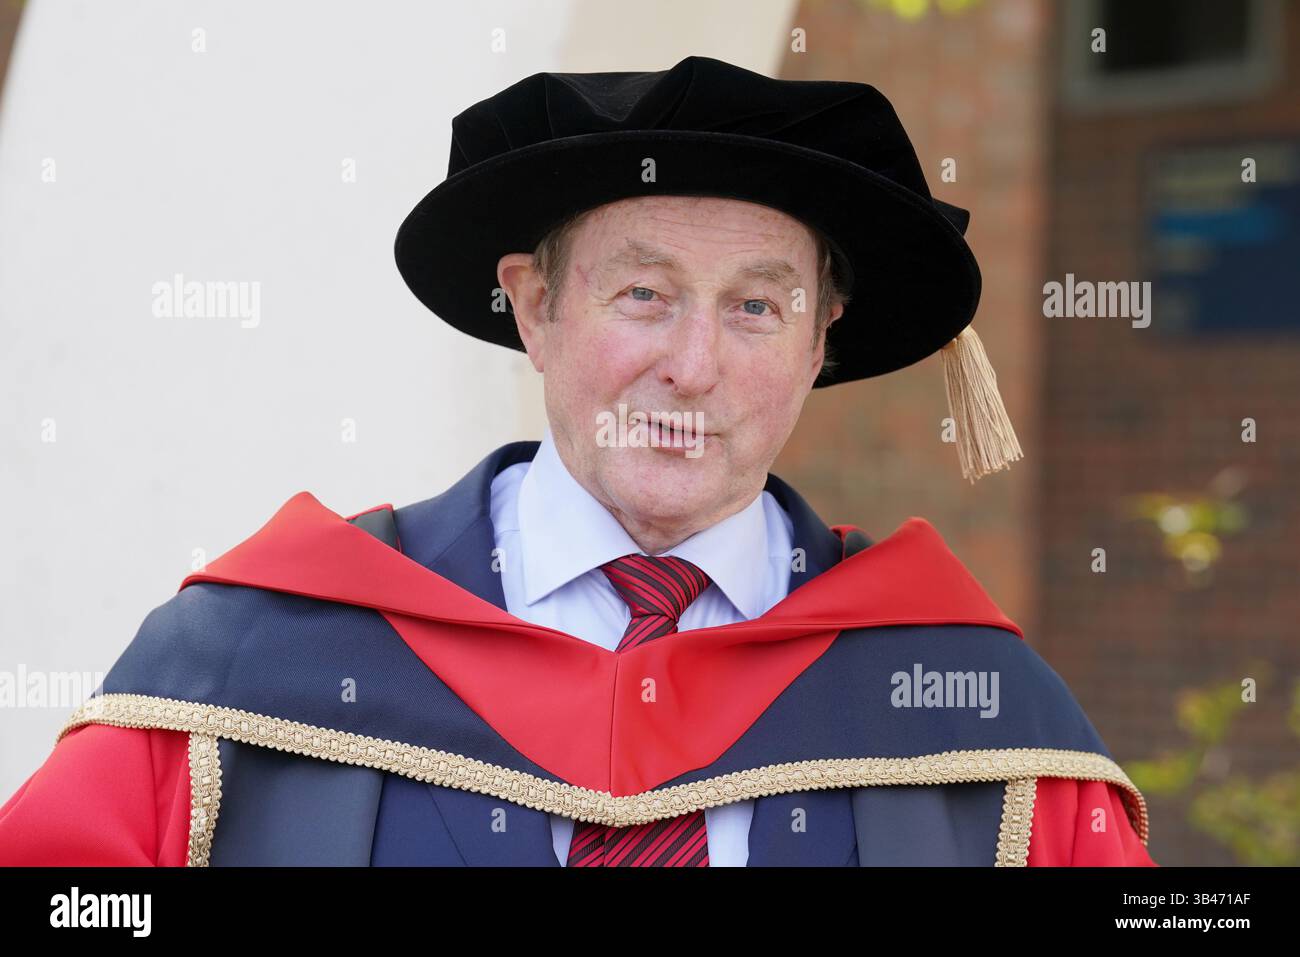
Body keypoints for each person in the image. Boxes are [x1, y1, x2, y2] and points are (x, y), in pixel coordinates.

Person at [0, 56, 1154, 866]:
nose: (692, 367)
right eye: (642, 294)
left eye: (757, 307)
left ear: (819, 343)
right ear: (534, 306)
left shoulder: (971, 711)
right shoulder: (251, 663)